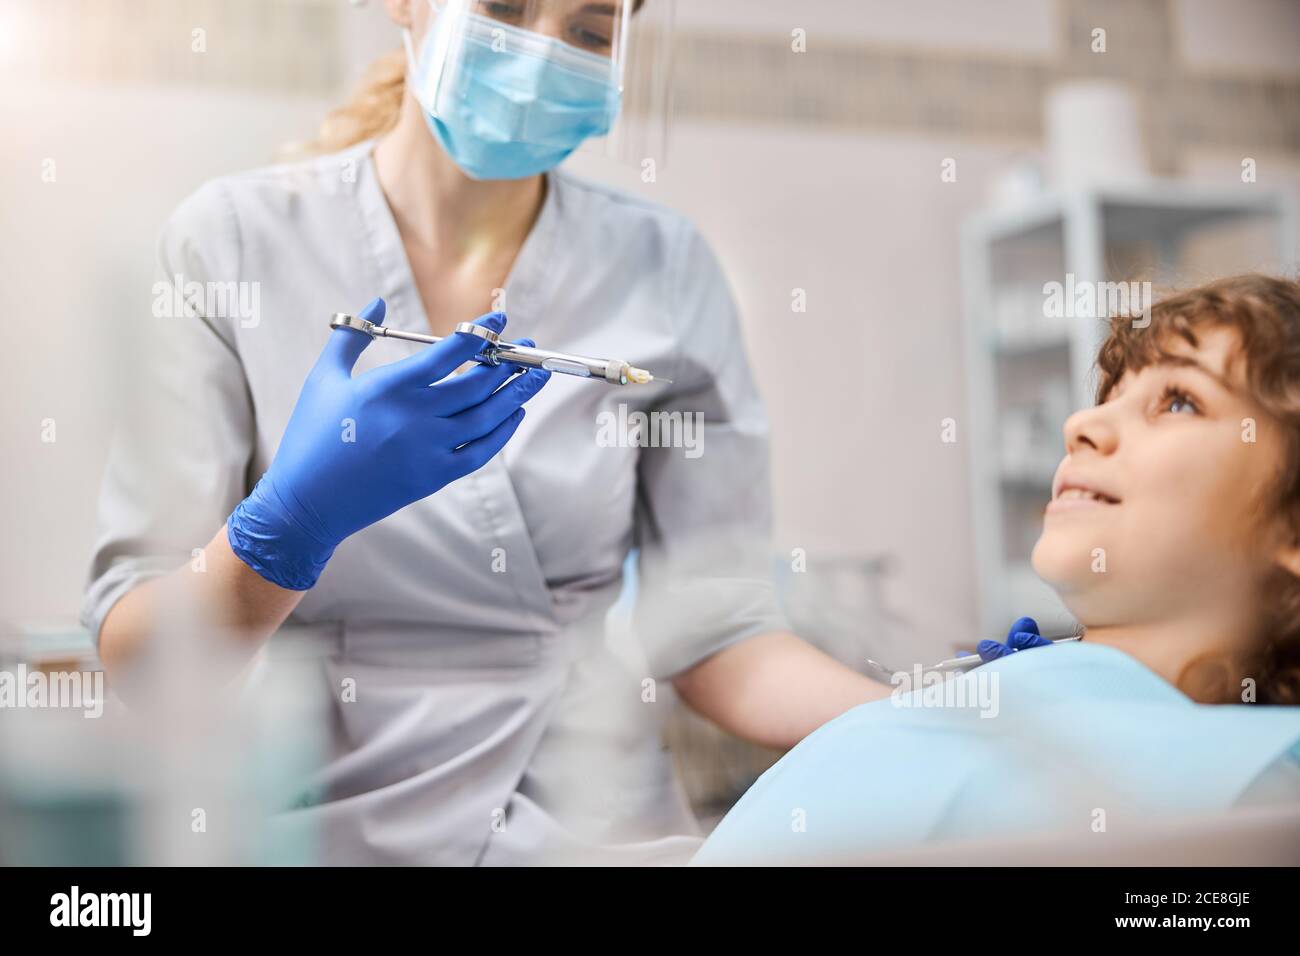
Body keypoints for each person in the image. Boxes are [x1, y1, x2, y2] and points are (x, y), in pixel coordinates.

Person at [89, 0, 988, 865]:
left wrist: (939, 721)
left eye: (590, 28)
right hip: (327, 828)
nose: (540, 53)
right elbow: (144, 662)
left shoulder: (664, 268)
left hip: (596, 825)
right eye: (508, 7)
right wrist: (288, 528)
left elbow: (720, 635)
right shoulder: (229, 246)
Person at [694, 275, 1300, 865]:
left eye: (1177, 402)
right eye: (1107, 398)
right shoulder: (1015, 699)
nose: (1081, 425)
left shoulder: (1259, 776)